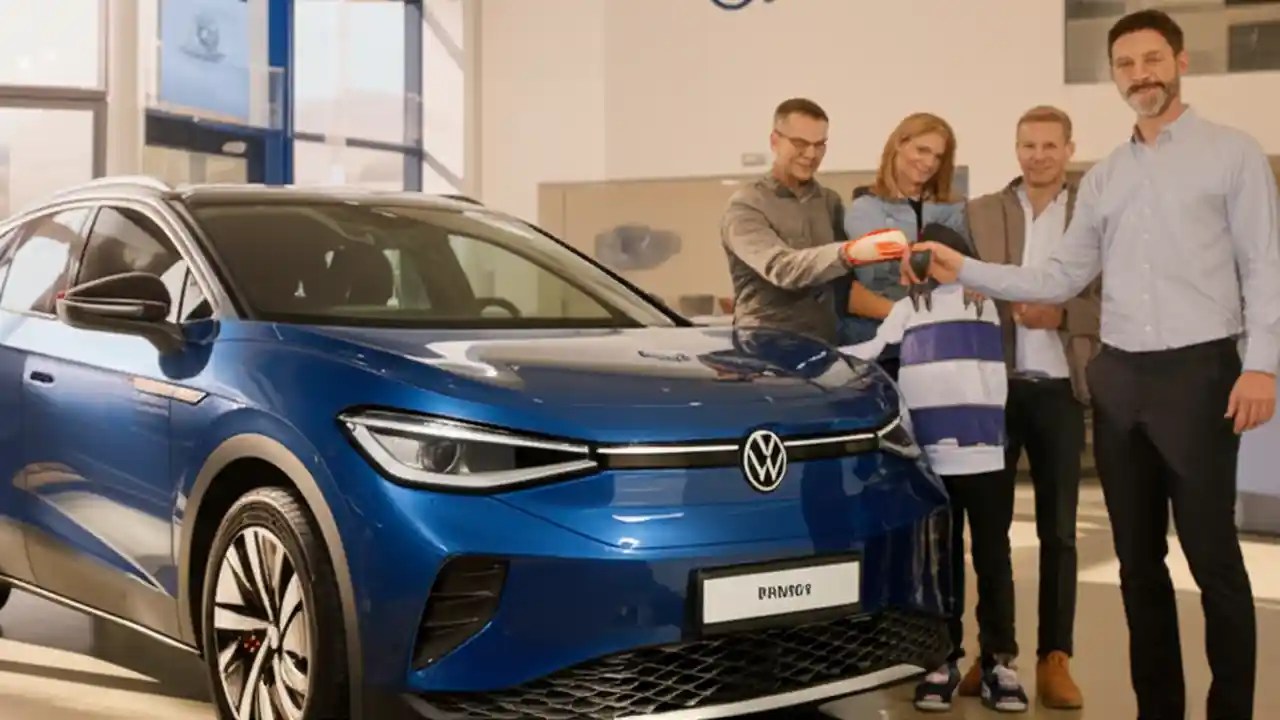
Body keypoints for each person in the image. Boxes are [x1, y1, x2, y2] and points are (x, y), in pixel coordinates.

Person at [905, 10, 1280, 719]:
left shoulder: (1233, 154)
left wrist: (1260, 365)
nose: (1140, 75)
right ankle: (1157, 710)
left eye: (1152, 60)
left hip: (1201, 375)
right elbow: (1056, 277)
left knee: (1215, 564)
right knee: (1139, 568)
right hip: (1119, 380)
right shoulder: (1105, 178)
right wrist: (966, 267)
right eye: (1126, 65)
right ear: (1114, 75)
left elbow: (1266, 267)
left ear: (1180, 62)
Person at [844, 224, 1028, 714]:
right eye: (918, 257)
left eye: (934, 256)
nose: (926, 266)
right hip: (932, 459)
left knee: (993, 556)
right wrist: (821, 357)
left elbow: (1020, 288)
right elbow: (871, 351)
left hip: (987, 455)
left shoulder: (987, 298)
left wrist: (981, 279)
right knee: (940, 562)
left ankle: (998, 662)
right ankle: (941, 659)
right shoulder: (907, 309)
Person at [958, 104, 1098, 709]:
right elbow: (955, 279)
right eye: (1027, 145)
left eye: (1049, 145)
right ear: (1015, 150)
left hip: (1062, 390)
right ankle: (994, 656)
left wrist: (1064, 314)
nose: (1038, 155)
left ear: (1069, 149)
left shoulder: (1093, 210)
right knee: (990, 531)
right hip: (994, 387)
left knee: (1060, 532)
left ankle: (1055, 657)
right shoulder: (981, 212)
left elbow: (1118, 298)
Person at [836, 112, 969, 378]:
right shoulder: (863, 210)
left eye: (938, 156)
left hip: (939, 347)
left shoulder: (955, 210)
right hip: (876, 347)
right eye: (922, 150)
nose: (929, 162)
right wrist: (904, 316)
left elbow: (965, 275)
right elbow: (847, 292)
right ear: (899, 143)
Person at [720, 98, 857, 345]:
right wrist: (850, 252)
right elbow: (781, 268)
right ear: (775, 141)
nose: (811, 154)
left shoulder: (829, 201)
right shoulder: (746, 205)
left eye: (820, 145)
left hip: (824, 345)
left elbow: (845, 278)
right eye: (800, 143)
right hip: (765, 347)